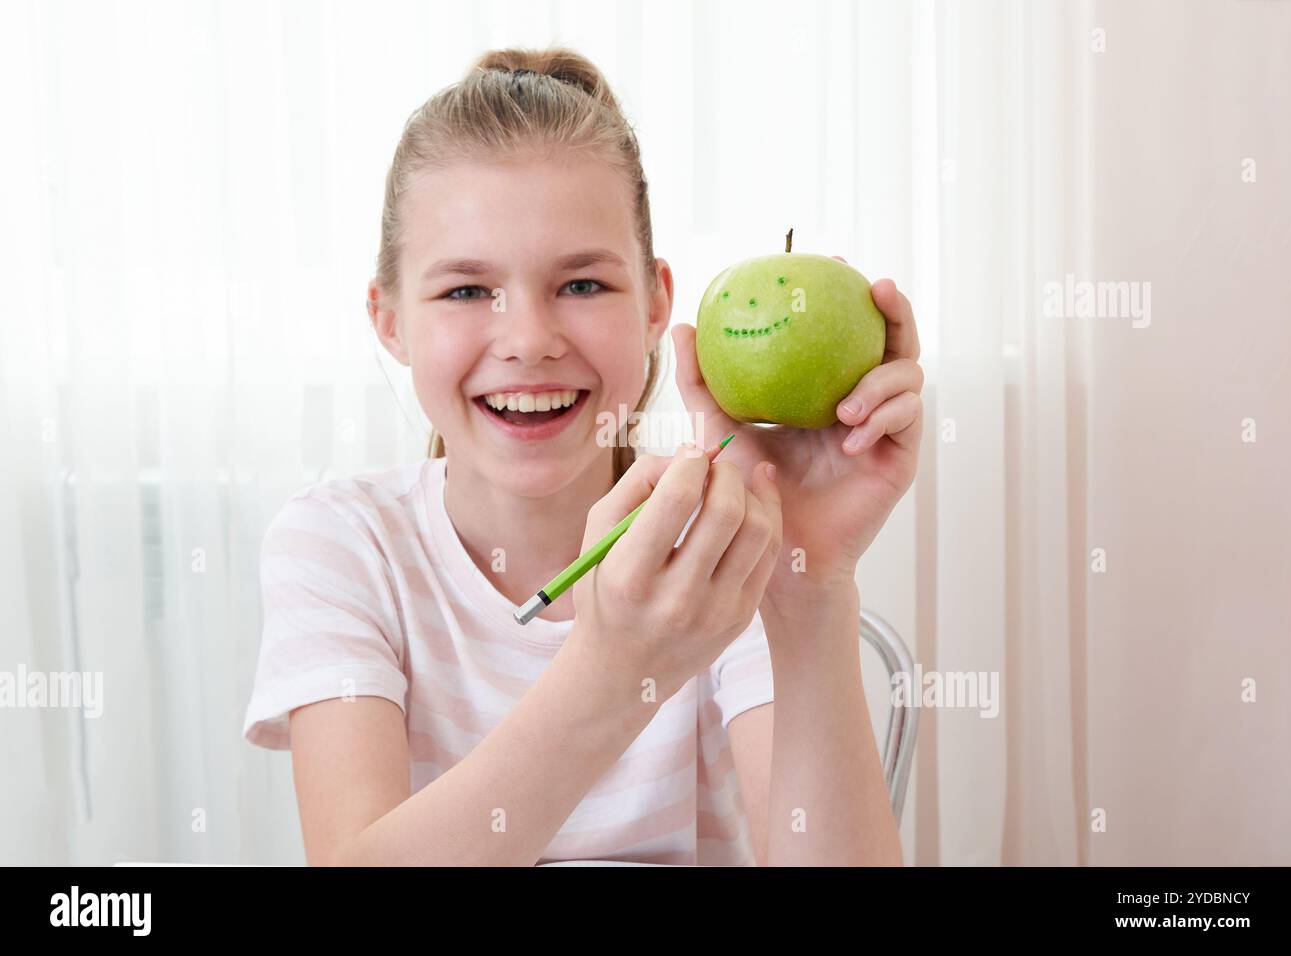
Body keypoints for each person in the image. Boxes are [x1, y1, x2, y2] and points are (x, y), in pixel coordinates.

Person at [243, 46, 923, 866]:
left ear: (656, 305)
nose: (529, 341)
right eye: (466, 291)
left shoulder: (720, 547)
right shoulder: (342, 544)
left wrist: (807, 587)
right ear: (389, 320)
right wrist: (612, 666)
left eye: (582, 285)